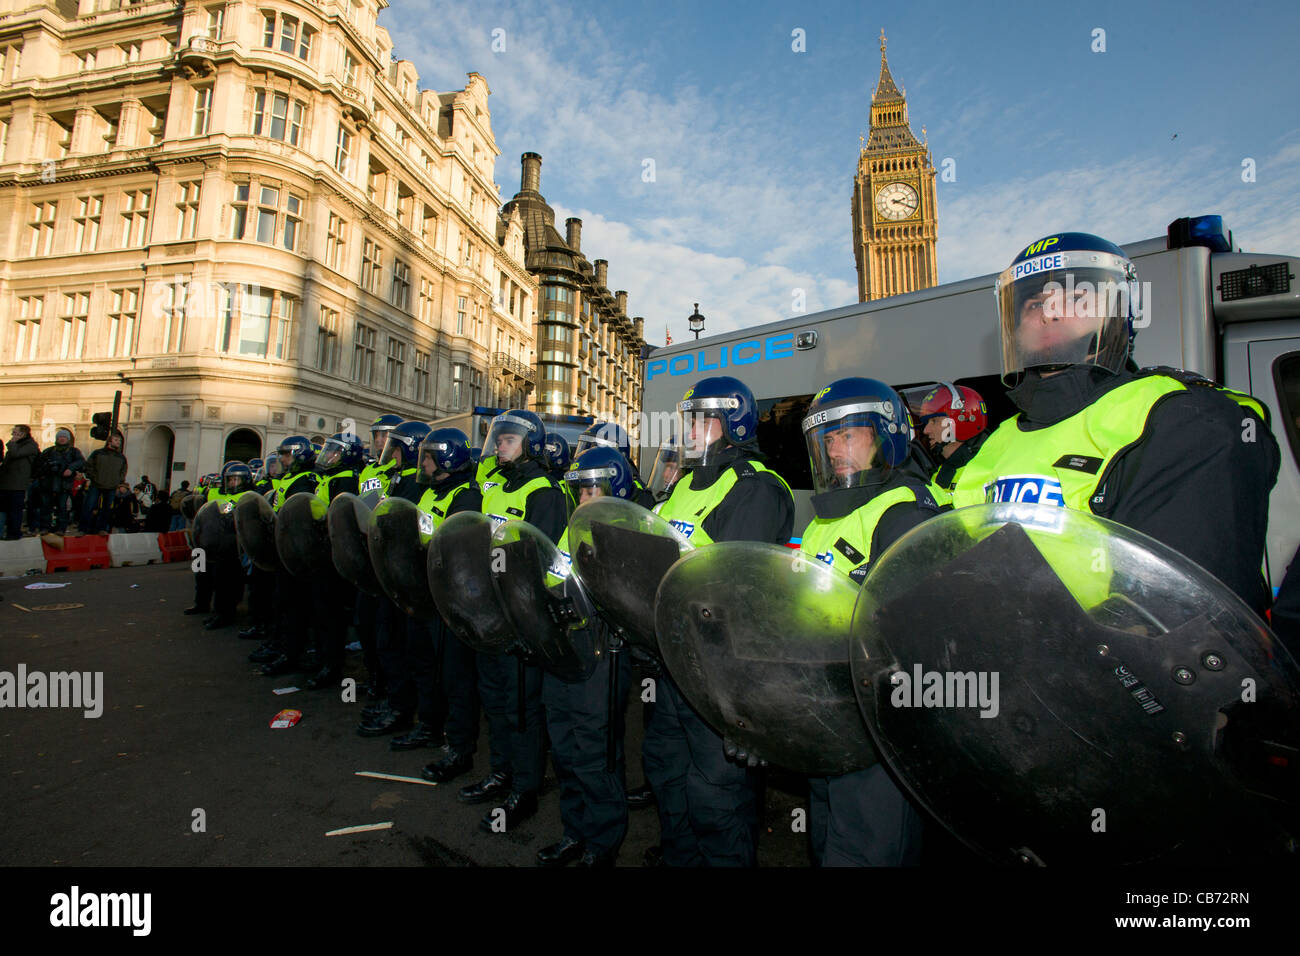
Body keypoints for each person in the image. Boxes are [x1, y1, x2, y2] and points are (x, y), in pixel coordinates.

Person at [949, 232, 1280, 617]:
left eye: (1074, 297)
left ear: (1118, 309)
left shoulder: (1183, 418)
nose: (1049, 312)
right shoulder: (1001, 438)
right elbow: (952, 548)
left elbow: (1175, 616)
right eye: (1034, 303)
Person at [646, 375, 795, 866]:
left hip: (718, 674)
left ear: (732, 421)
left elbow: (738, 594)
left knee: (718, 800)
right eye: (686, 419)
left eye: (700, 419)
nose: (689, 429)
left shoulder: (756, 487)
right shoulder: (685, 483)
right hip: (671, 661)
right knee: (669, 777)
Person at [798, 377, 940, 865]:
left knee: (867, 849)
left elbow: (907, 639)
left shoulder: (903, 511)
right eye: (827, 437)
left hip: (880, 726)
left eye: (848, 434)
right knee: (826, 840)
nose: (835, 448)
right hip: (827, 711)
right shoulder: (825, 517)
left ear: (886, 435)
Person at [461, 409, 568, 833]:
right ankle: (501, 772)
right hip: (488, 609)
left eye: (508, 439)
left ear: (531, 444)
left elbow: (539, 560)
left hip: (519, 613)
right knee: (495, 697)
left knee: (522, 705)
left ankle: (524, 788)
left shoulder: (544, 491)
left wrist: (527, 619)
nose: (500, 445)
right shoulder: (497, 485)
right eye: (498, 439)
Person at [533, 446, 639, 867]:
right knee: (565, 749)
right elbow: (552, 579)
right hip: (563, 652)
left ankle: (602, 843)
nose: (582, 499)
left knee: (596, 755)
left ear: (615, 488)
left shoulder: (628, 533)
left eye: (592, 489)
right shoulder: (570, 529)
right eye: (579, 490)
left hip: (601, 658)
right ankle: (574, 832)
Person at [408, 429, 484, 778]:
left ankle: (459, 749)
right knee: (426, 667)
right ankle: (429, 726)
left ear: (446, 460)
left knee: (456, 677)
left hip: (451, 601)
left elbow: (453, 548)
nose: (422, 462)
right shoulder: (430, 491)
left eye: (427, 457)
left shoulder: (465, 496)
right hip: (425, 596)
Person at [356, 420, 431, 738]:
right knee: (386, 641)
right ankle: (396, 700)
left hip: (407, 579)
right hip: (391, 574)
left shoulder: (416, 485)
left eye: (396, 449)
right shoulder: (397, 479)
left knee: (402, 647)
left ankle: (403, 709)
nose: (391, 454)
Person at [257, 437, 321, 675]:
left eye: (287, 455)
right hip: (284, 550)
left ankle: (291, 653)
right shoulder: (289, 479)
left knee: (293, 607)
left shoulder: (305, 480)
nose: (282, 459)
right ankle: (281, 646)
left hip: (296, 553)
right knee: (282, 603)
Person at [306, 434, 364, 689]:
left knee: (330, 613)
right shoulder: (329, 478)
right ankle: (322, 656)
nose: (329, 456)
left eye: (335, 452)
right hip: (322, 553)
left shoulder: (346, 480)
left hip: (333, 555)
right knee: (320, 611)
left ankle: (331, 663)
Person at [907, 383, 989, 506]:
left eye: (934, 421)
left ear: (960, 421)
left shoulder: (987, 471)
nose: (926, 430)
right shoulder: (940, 474)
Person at [36, 428, 84, 534]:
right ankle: (45, 527)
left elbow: (81, 462)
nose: (62, 439)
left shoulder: (73, 451)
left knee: (62, 507)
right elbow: (39, 464)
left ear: (68, 439)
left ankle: (61, 528)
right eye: (60, 437)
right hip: (48, 483)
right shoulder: (48, 451)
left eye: (64, 437)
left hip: (64, 483)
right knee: (46, 506)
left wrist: (70, 468)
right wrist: (45, 470)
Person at [83, 432, 129, 535]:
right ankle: (84, 528)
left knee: (106, 509)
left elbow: (123, 470)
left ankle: (101, 529)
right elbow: (89, 466)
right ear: (109, 441)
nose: (119, 442)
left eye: (120, 441)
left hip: (112, 486)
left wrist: (119, 481)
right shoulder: (98, 453)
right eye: (116, 440)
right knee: (89, 506)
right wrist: (93, 477)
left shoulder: (121, 457)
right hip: (97, 484)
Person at [0, 425, 40, 539]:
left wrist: (12, 442)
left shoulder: (30, 445)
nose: (13, 435)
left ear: (23, 434)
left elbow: (15, 454)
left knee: (15, 511)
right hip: (5, 483)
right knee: (3, 509)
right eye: (13, 432)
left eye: (16, 432)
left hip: (17, 484)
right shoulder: (16, 445)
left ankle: (14, 533)